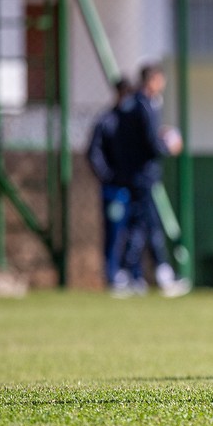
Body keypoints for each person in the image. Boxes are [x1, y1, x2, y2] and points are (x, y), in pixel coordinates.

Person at [110, 62, 191, 298]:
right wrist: (167, 144)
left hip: (132, 174)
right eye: (161, 80)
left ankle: (126, 276)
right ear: (153, 80)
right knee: (149, 225)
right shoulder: (145, 106)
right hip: (143, 176)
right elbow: (149, 142)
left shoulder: (130, 104)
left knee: (139, 224)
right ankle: (158, 276)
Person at [87, 77, 134, 288]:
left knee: (134, 232)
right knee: (114, 232)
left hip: (133, 187)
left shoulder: (133, 122)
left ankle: (131, 274)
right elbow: (93, 152)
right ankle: (112, 275)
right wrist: (108, 175)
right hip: (114, 188)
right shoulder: (107, 121)